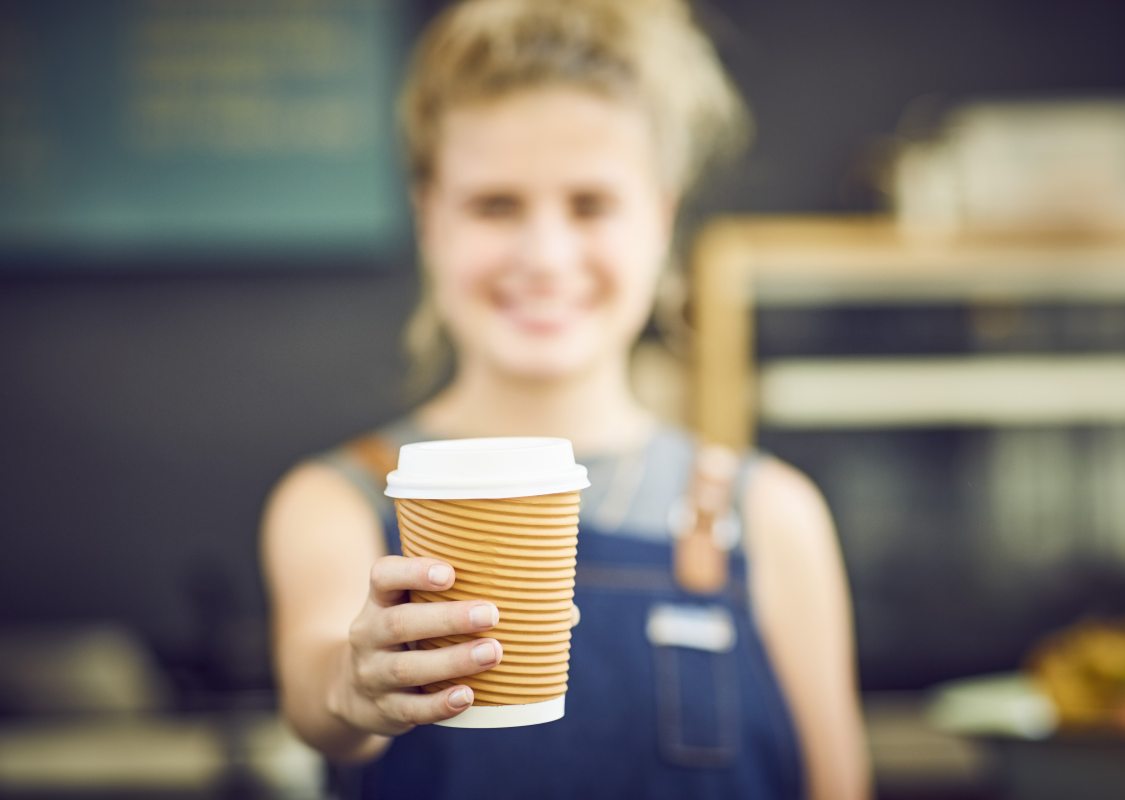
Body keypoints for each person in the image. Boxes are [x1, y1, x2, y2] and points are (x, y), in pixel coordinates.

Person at [261, 0, 870, 797]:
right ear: (429, 220)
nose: (545, 256)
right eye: (495, 205)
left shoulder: (772, 515)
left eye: (590, 205)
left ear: (660, 220)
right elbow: (319, 694)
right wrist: (355, 685)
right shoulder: (334, 502)